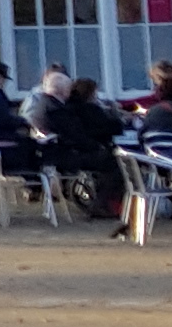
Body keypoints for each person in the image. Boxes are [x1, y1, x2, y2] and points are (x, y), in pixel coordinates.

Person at [40, 78, 127, 221]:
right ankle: (103, 205)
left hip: (65, 152)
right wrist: (97, 145)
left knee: (109, 162)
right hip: (75, 154)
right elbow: (108, 128)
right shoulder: (89, 109)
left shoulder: (63, 108)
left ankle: (104, 204)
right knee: (117, 164)